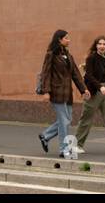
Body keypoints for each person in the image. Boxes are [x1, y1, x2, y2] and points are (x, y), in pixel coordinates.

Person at [37, 30, 87, 158]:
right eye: (66, 38)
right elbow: (45, 74)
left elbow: (75, 74)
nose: (68, 40)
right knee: (64, 121)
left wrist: (83, 89)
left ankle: (45, 136)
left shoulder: (69, 56)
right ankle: (64, 149)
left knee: (67, 119)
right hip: (56, 92)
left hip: (67, 94)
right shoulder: (51, 55)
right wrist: (46, 91)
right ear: (59, 39)